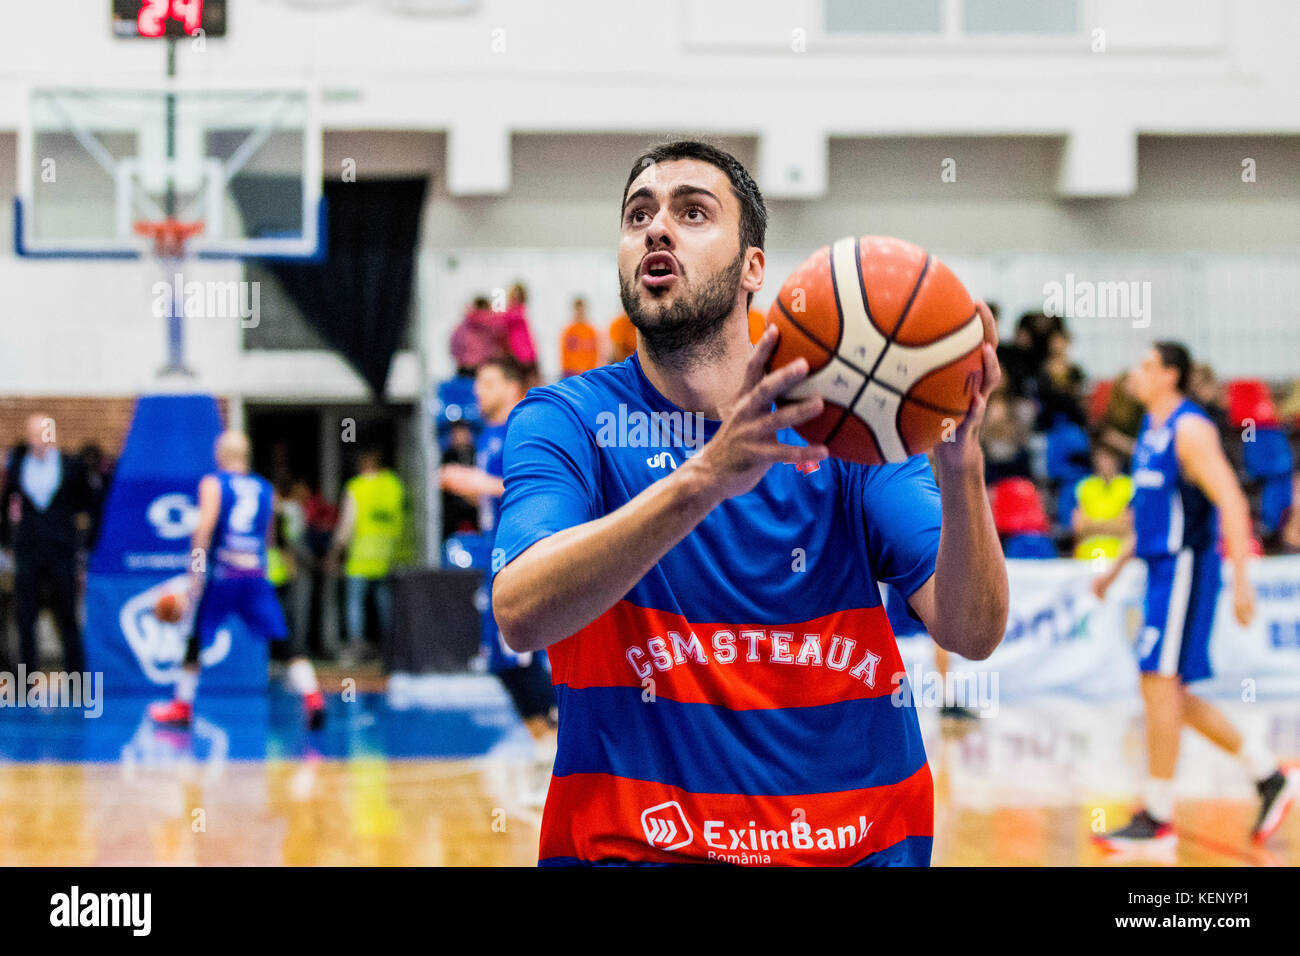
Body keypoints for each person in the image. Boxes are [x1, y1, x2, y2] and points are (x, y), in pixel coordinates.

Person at [489, 140, 1009, 866]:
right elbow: (520, 612)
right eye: (638, 214)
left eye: (692, 211)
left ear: (753, 268)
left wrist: (961, 468)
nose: (656, 229)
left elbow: (972, 631)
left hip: (855, 847)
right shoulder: (567, 419)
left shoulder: (846, 429)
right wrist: (705, 478)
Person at [1093, 343, 1298, 850]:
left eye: (1145, 365)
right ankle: (1269, 774)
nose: (1134, 373)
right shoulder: (1150, 430)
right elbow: (1152, 518)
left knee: (1156, 681)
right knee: (1169, 691)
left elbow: (1230, 496)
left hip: (1187, 568)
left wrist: (1243, 578)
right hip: (1162, 569)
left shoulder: (1190, 429)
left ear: (1170, 376)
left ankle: (1159, 816)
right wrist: (1114, 570)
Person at [148, 431, 325, 729]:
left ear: (219, 454)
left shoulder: (213, 483)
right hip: (255, 573)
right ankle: (313, 697)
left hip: (224, 573)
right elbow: (268, 538)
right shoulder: (265, 489)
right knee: (283, 641)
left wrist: (195, 574)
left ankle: (181, 706)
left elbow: (204, 529)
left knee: (196, 638)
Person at [440, 357, 558, 749]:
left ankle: (563, 748)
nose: (478, 391)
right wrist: (471, 487)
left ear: (511, 387)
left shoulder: (523, 428)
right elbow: (499, 493)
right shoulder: (488, 434)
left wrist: (479, 482)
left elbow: (540, 491)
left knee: (518, 660)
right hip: (495, 559)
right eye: (477, 383)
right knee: (501, 663)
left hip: (520, 559)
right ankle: (548, 749)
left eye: (488, 383)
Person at [0, 413, 95, 673]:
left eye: (40, 434)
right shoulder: (19, 464)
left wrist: (84, 543)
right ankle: (27, 678)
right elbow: (6, 502)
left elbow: (89, 504)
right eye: (31, 434)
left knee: (67, 616)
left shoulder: (70, 464)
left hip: (61, 551)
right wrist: (8, 540)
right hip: (28, 551)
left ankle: (77, 675)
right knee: (25, 617)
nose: (36, 440)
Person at [326, 447, 404, 666]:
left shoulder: (357, 487)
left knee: (355, 603)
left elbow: (346, 525)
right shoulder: (393, 485)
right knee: (384, 603)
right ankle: (391, 646)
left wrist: (335, 552)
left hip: (361, 557)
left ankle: (356, 647)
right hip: (387, 555)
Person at [1071, 438, 1133, 562]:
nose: (1106, 462)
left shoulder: (1130, 486)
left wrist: (1094, 524)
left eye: (1110, 457)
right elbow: (1078, 529)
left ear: (1117, 459)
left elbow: (1130, 528)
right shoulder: (1084, 486)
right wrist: (1114, 523)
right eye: (1102, 457)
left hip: (1121, 558)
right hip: (1087, 556)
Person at [560, 297, 600, 378]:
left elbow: (596, 353)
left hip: (588, 372)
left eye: (581, 310)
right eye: (578, 310)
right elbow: (565, 355)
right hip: (571, 372)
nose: (580, 313)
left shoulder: (591, 331)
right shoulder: (568, 331)